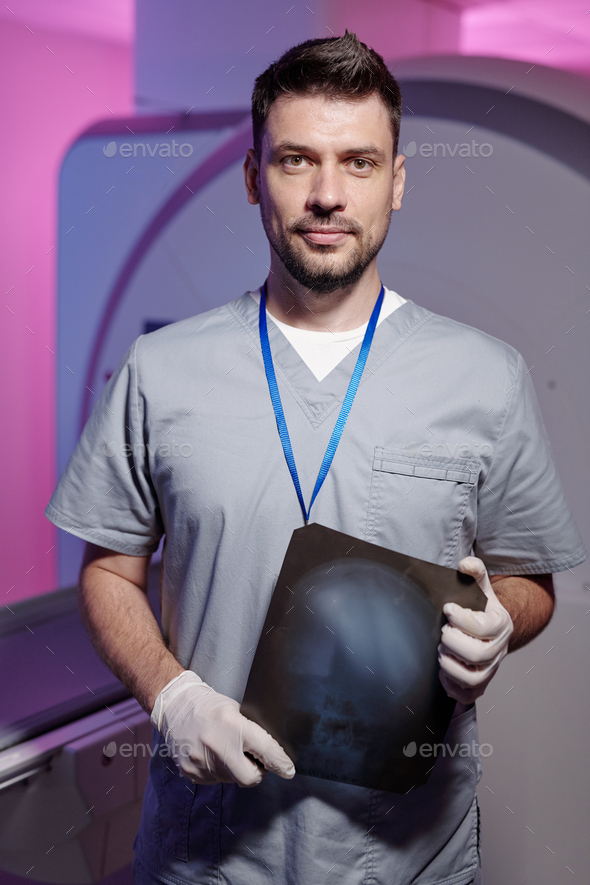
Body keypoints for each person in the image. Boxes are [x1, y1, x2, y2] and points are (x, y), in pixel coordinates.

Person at [45, 31, 586, 885]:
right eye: (296, 160)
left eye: (360, 163)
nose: (327, 194)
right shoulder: (164, 372)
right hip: (209, 853)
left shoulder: (485, 378)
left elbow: (531, 581)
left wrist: (499, 623)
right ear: (255, 176)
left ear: (398, 183)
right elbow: (109, 571)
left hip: (408, 855)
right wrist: (171, 695)